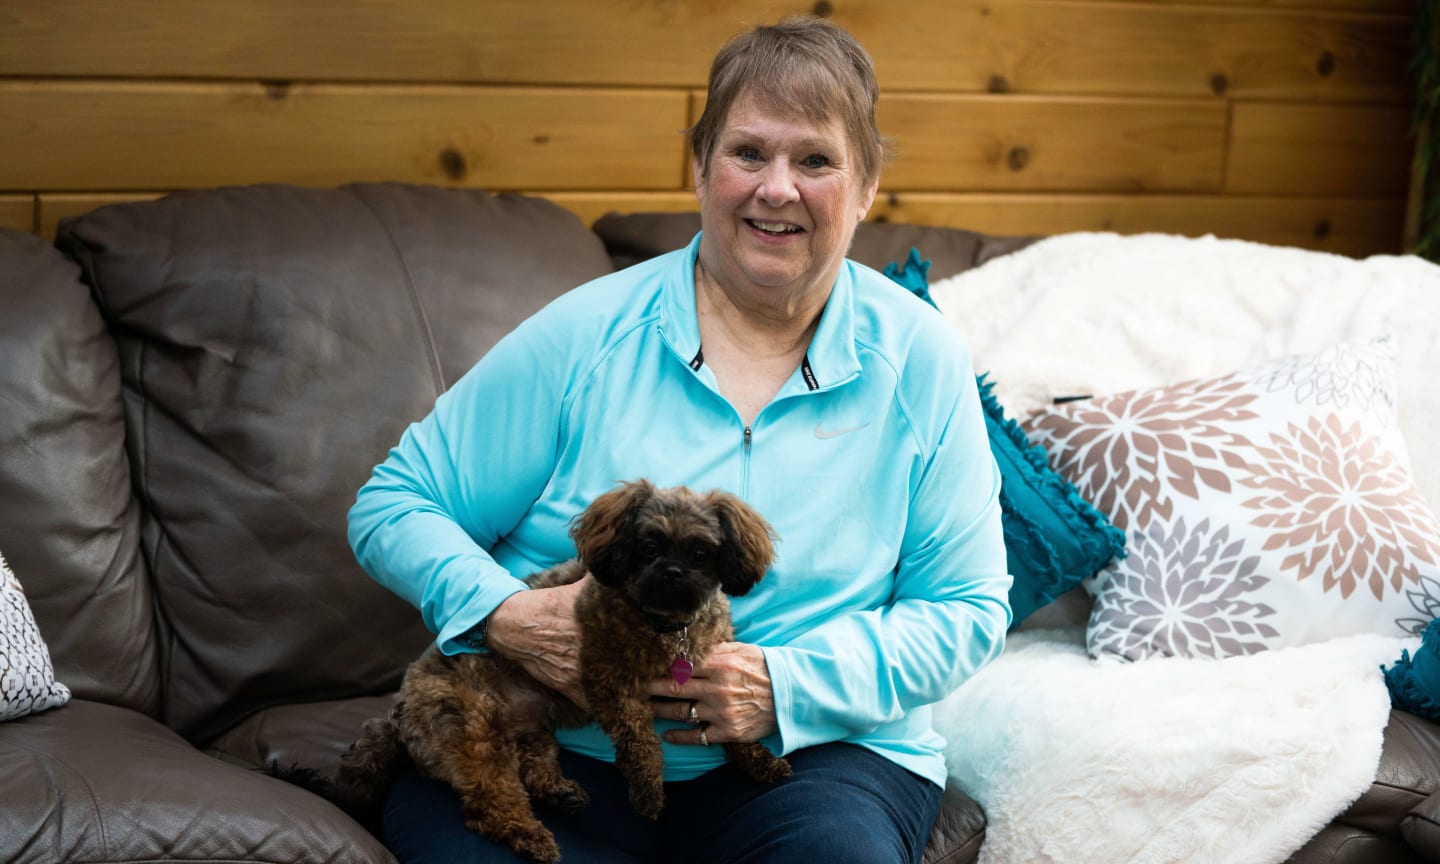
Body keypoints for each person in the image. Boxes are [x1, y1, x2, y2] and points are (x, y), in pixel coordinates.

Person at [347, 15, 1012, 863]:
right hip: (558, 749)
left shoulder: (918, 357)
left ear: (867, 185)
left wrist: (786, 686)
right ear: (699, 166)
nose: (778, 189)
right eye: (748, 153)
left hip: (813, 761)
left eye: (815, 160)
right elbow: (395, 504)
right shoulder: (586, 334)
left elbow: (967, 608)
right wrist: (505, 612)